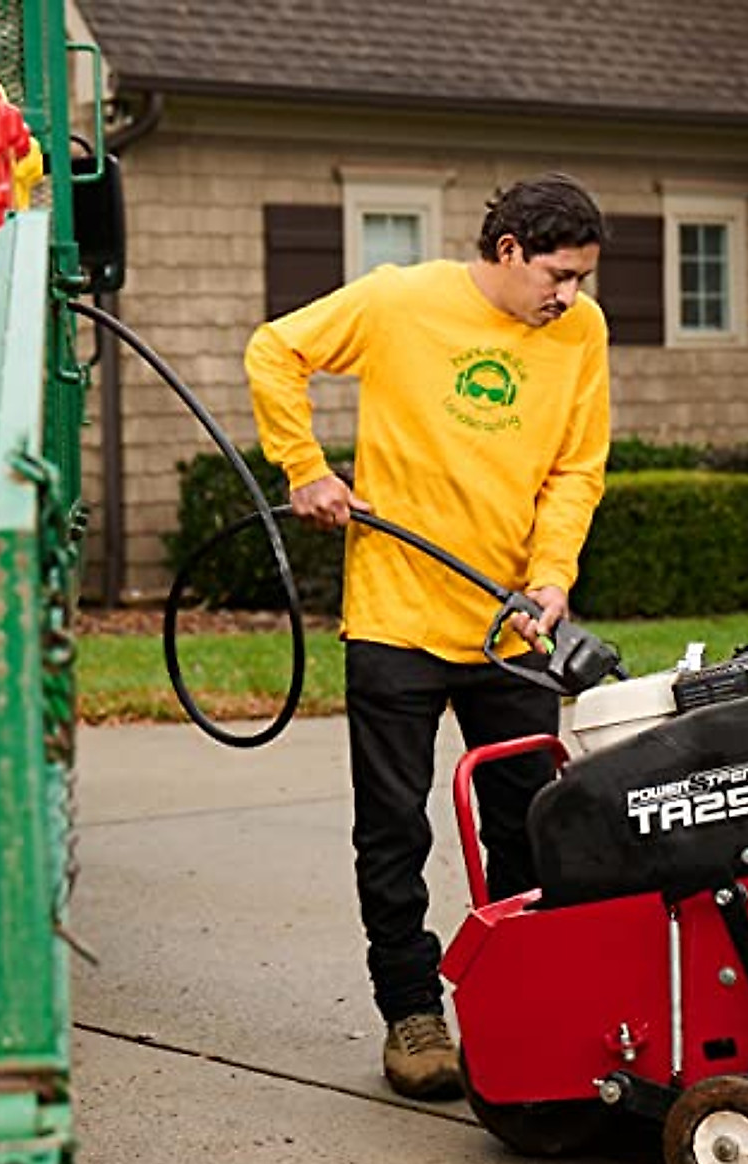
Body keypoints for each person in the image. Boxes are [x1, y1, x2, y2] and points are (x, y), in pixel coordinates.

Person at [244, 172, 610, 1099]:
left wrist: (553, 577)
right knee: (393, 832)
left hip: (510, 628)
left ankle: (529, 998)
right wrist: (304, 468)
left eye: (582, 280)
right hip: (396, 619)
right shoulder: (400, 299)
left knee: (532, 826)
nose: (568, 297)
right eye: (557, 275)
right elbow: (274, 350)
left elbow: (576, 466)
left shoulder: (580, 333)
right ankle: (412, 1014)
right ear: (508, 251)